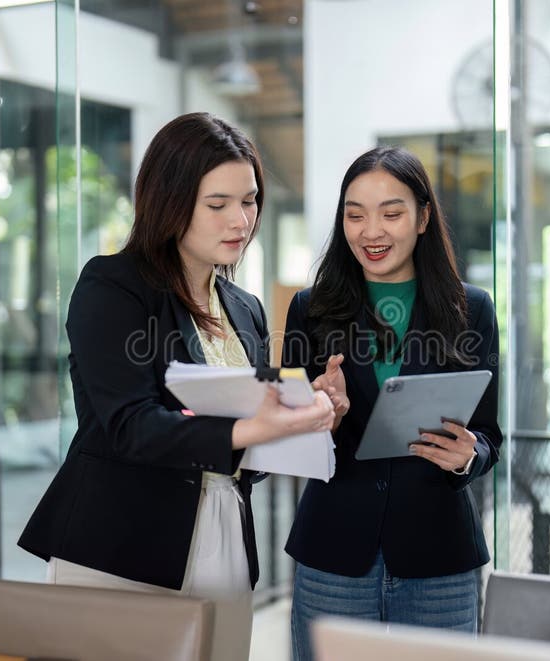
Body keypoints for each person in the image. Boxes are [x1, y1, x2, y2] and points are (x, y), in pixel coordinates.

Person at [18, 112, 334, 661]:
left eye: (250, 200)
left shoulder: (246, 308)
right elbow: (129, 426)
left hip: (226, 536)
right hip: (121, 545)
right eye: (218, 204)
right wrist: (249, 427)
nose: (240, 219)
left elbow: (250, 445)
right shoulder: (112, 286)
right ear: (169, 200)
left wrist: (310, 413)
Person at [282, 146, 502, 660]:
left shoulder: (471, 309)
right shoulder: (310, 309)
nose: (370, 231)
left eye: (391, 213)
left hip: (439, 555)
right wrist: (322, 419)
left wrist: (468, 457)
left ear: (423, 217)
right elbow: (285, 439)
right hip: (333, 551)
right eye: (354, 214)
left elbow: (490, 435)